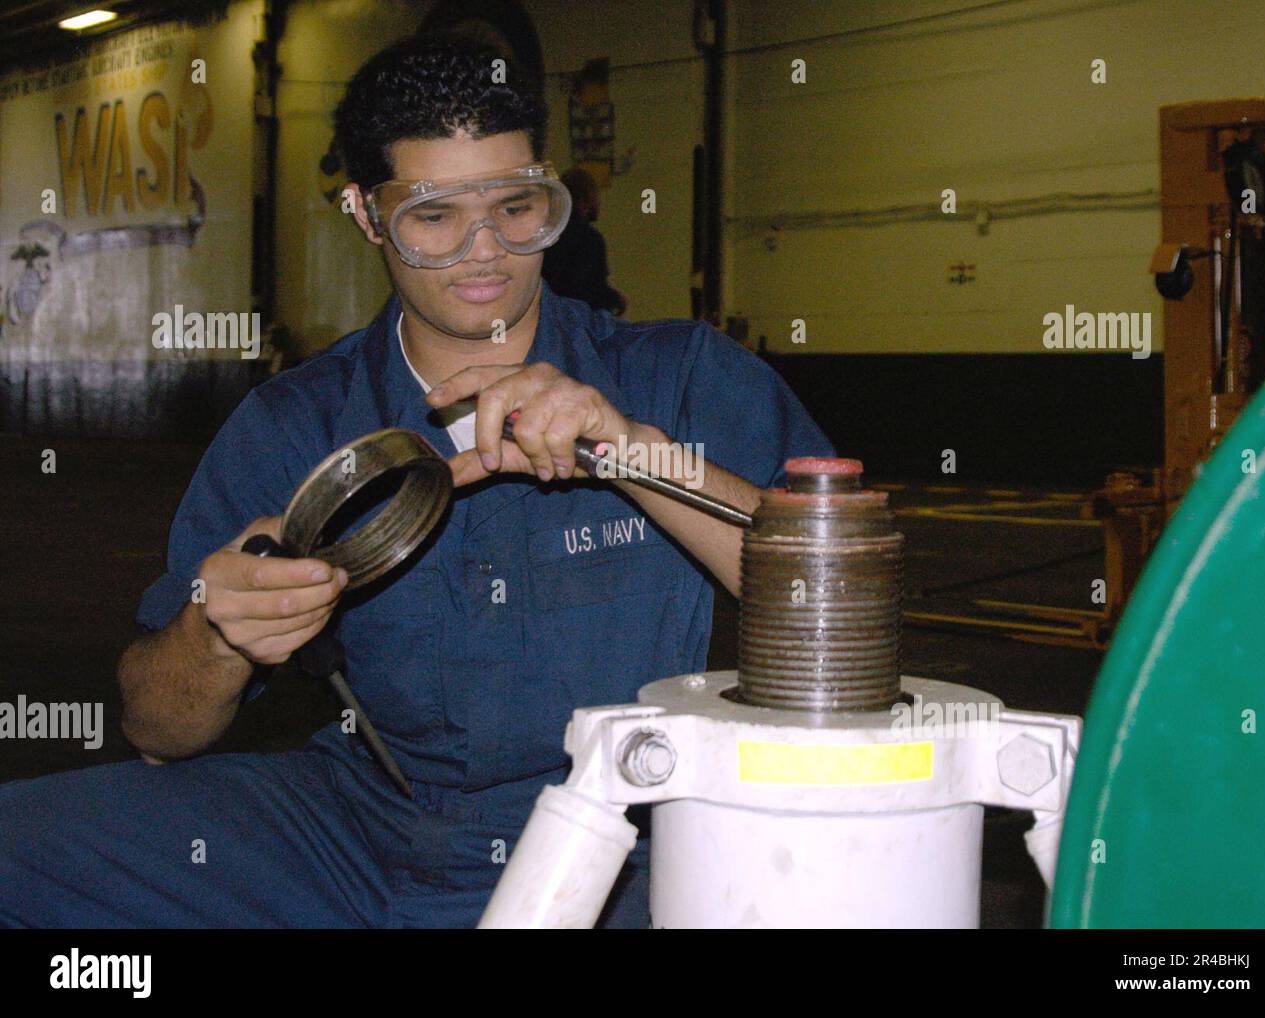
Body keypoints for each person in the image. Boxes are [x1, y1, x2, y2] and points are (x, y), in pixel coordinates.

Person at [0, 34, 833, 928]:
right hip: (362, 823)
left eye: (517, 206)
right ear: (364, 212)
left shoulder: (680, 376)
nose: (485, 251)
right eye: (433, 217)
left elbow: (832, 600)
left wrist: (634, 451)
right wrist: (217, 633)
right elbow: (156, 730)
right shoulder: (297, 422)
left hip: (621, 833)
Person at [542, 166, 626, 314]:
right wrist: (616, 300)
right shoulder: (590, 239)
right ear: (586, 198)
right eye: (596, 195)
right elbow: (592, 290)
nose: (599, 202)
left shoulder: (547, 236)